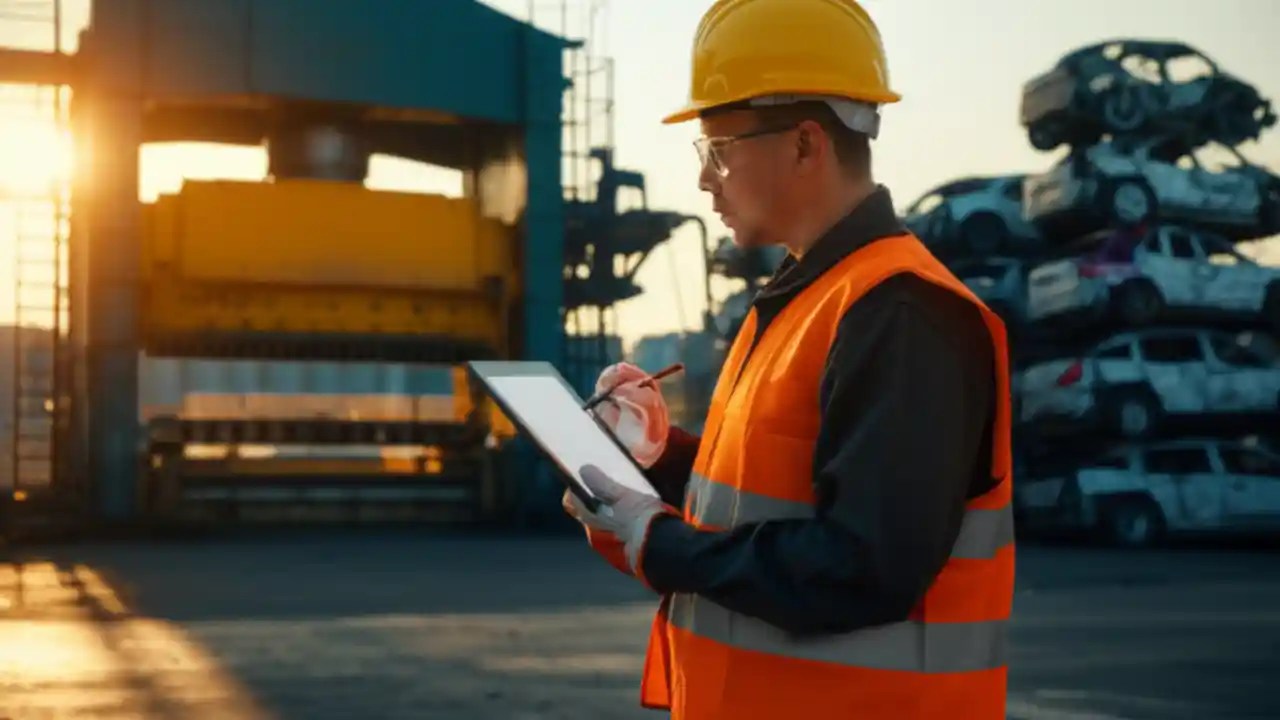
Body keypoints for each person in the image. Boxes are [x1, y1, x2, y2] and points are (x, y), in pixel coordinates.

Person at [561, 0, 1015, 717]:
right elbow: (777, 493)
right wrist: (659, 459)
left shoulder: (902, 314)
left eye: (716, 149)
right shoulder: (808, 299)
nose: (705, 179)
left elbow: (860, 568)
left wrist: (660, 540)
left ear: (805, 146)